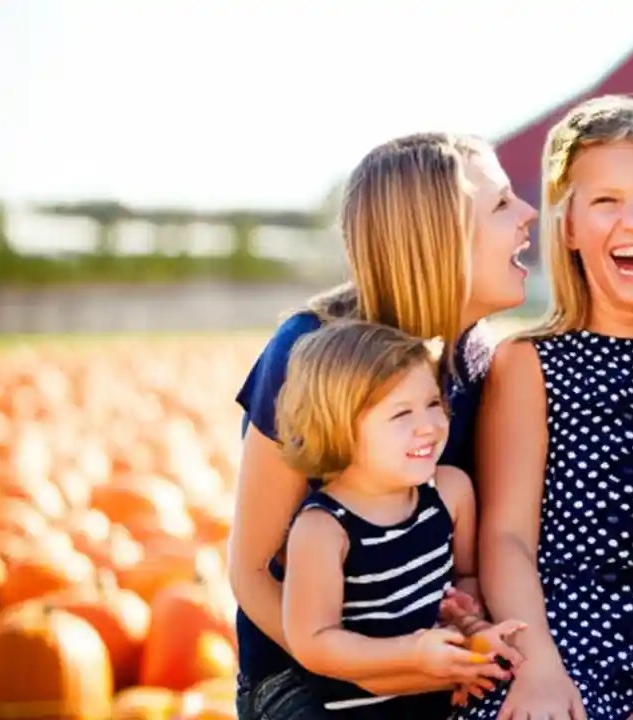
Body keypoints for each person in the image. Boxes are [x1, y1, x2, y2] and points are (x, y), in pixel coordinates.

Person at [228, 132, 538, 719]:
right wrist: (374, 670)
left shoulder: (472, 357)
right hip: (306, 679)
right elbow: (249, 571)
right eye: (500, 204)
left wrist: (463, 639)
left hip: (427, 663)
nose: (527, 214)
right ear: (438, 239)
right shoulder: (305, 353)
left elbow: (454, 555)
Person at [458, 94, 633, 720]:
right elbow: (508, 538)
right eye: (605, 202)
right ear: (568, 227)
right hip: (565, 641)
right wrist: (541, 667)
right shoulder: (530, 364)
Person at [274, 319, 526, 717]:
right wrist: (410, 654)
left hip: (445, 705)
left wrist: (470, 629)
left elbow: (467, 579)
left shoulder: (450, 493)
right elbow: (314, 643)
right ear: (340, 429)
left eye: (433, 404)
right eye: (401, 414)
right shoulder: (324, 529)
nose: (428, 426)